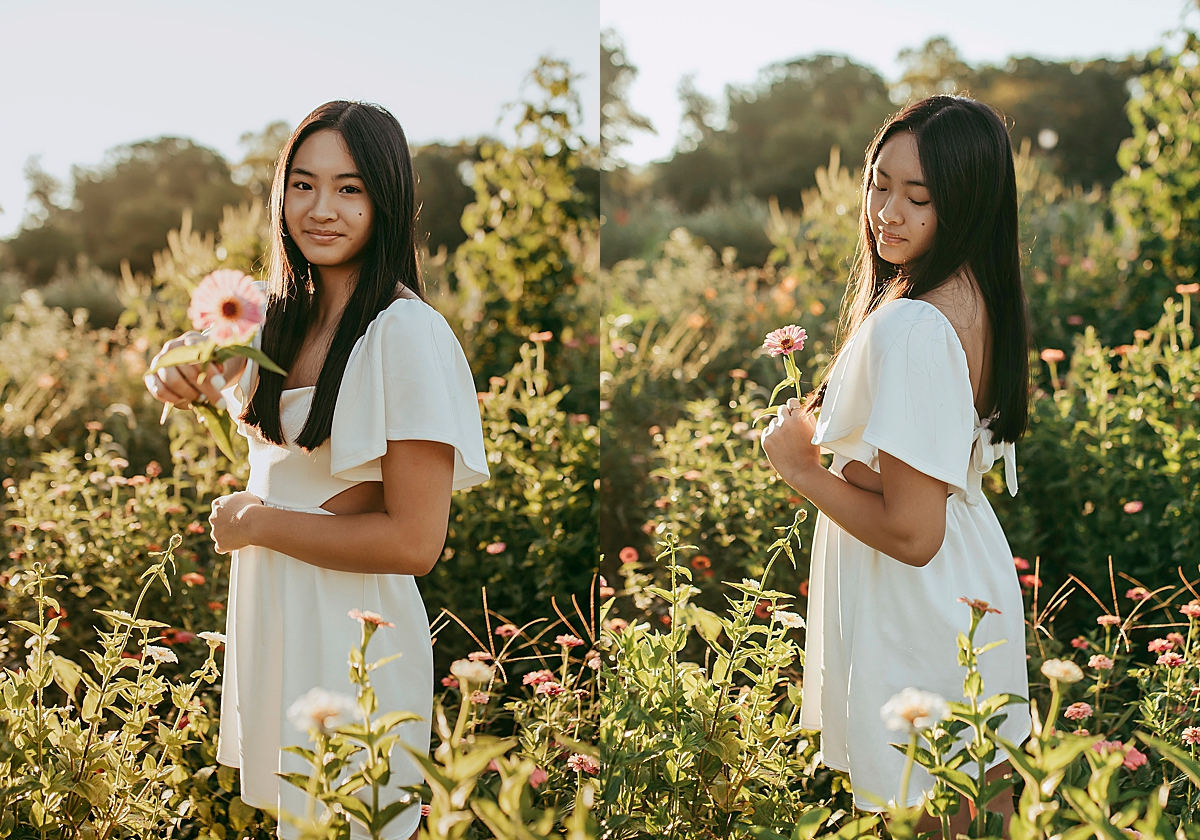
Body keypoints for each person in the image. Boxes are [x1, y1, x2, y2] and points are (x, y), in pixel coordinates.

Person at [145, 100, 489, 840]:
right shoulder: (277, 319)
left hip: (355, 640)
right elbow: (192, 354)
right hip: (283, 621)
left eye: (350, 188)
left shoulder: (405, 334)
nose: (321, 209)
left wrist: (257, 522)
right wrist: (166, 372)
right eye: (303, 185)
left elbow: (413, 542)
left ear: (386, 198)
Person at [760, 95, 1032, 834]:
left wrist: (804, 468)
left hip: (920, 601)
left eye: (920, 197)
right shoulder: (971, 294)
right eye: (881, 184)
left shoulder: (913, 321)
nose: (889, 211)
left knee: (926, 817)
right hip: (969, 592)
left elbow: (914, 532)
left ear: (967, 203)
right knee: (983, 814)